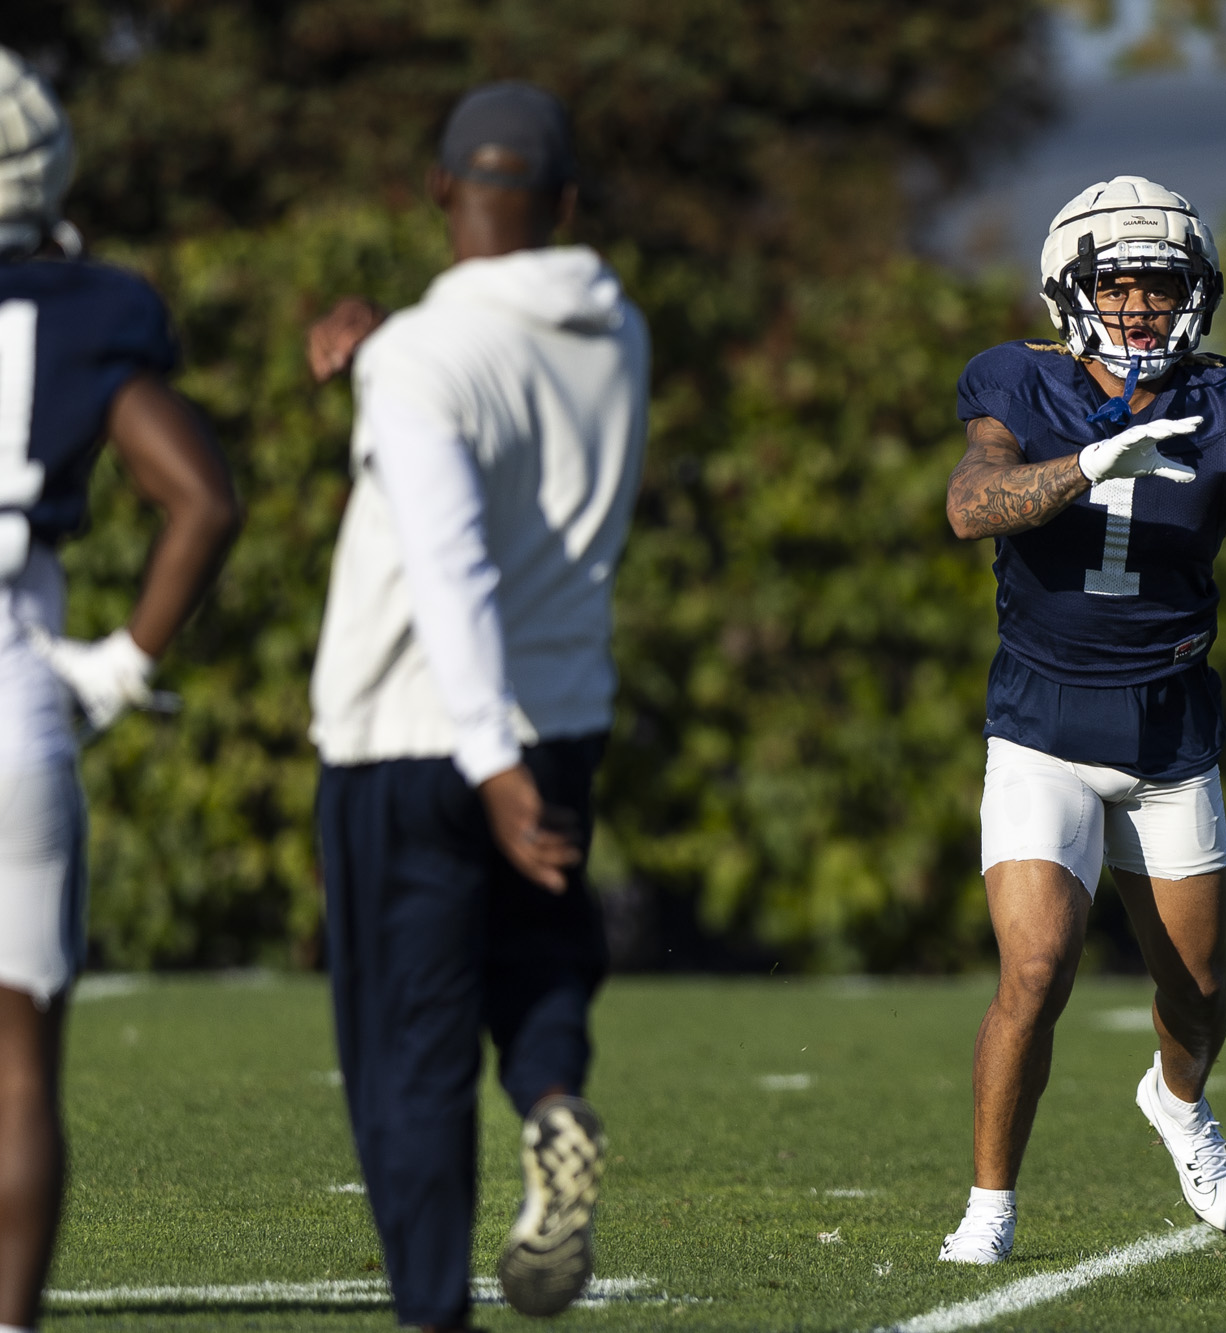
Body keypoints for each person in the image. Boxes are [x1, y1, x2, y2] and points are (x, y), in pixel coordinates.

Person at [937, 175, 1226, 1262]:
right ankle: (989, 1208)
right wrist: (1083, 464)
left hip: (1168, 732)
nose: (1138, 308)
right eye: (1118, 287)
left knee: (1201, 992)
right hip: (1041, 725)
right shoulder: (1016, 382)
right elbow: (969, 506)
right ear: (1068, 291)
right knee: (1036, 970)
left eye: (1160, 288)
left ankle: (1176, 1098)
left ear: (1195, 296)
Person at [305, 83, 648, 1328]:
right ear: (566, 203)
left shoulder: (418, 355)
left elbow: (448, 565)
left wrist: (483, 755)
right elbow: (499, 366)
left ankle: (431, 1312)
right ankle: (552, 1101)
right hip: (563, 723)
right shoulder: (619, 333)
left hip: (417, 737)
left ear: (440, 190)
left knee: (411, 1050)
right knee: (540, 960)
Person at [0, 49, 240, 1333]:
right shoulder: (91, 309)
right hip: (10, 696)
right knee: (18, 1071)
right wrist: (120, 667)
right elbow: (201, 500)